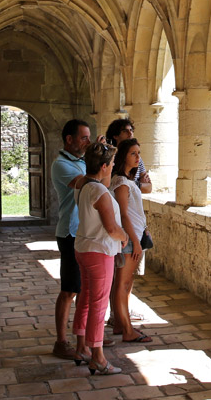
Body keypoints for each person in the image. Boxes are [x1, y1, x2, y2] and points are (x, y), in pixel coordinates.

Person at [71, 141, 127, 375]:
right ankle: (98, 357)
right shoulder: (101, 193)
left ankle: (81, 347)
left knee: (85, 298)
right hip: (99, 252)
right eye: (112, 164)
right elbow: (112, 228)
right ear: (104, 166)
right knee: (99, 303)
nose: (113, 168)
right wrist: (124, 236)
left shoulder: (83, 185)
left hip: (83, 247)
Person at [49, 119, 93, 360]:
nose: (87, 142)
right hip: (70, 232)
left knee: (86, 289)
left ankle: (86, 337)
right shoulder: (61, 165)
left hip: (86, 233)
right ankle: (61, 341)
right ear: (69, 139)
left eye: (88, 138)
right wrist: (99, 160)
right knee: (69, 289)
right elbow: (87, 185)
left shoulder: (82, 161)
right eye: (83, 138)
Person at [109, 138, 152, 343]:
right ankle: (127, 329)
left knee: (126, 284)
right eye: (133, 153)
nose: (138, 157)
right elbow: (124, 214)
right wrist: (135, 240)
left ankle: (121, 324)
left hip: (134, 236)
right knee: (122, 284)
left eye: (139, 153)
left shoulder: (127, 179)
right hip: (129, 239)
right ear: (123, 156)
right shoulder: (120, 181)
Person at [105, 118, 152, 193]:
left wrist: (132, 184)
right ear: (115, 136)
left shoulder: (137, 159)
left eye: (131, 130)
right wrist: (138, 184)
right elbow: (110, 184)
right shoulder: (109, 157)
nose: (130, 134)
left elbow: (148, 188)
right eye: (125, 131)